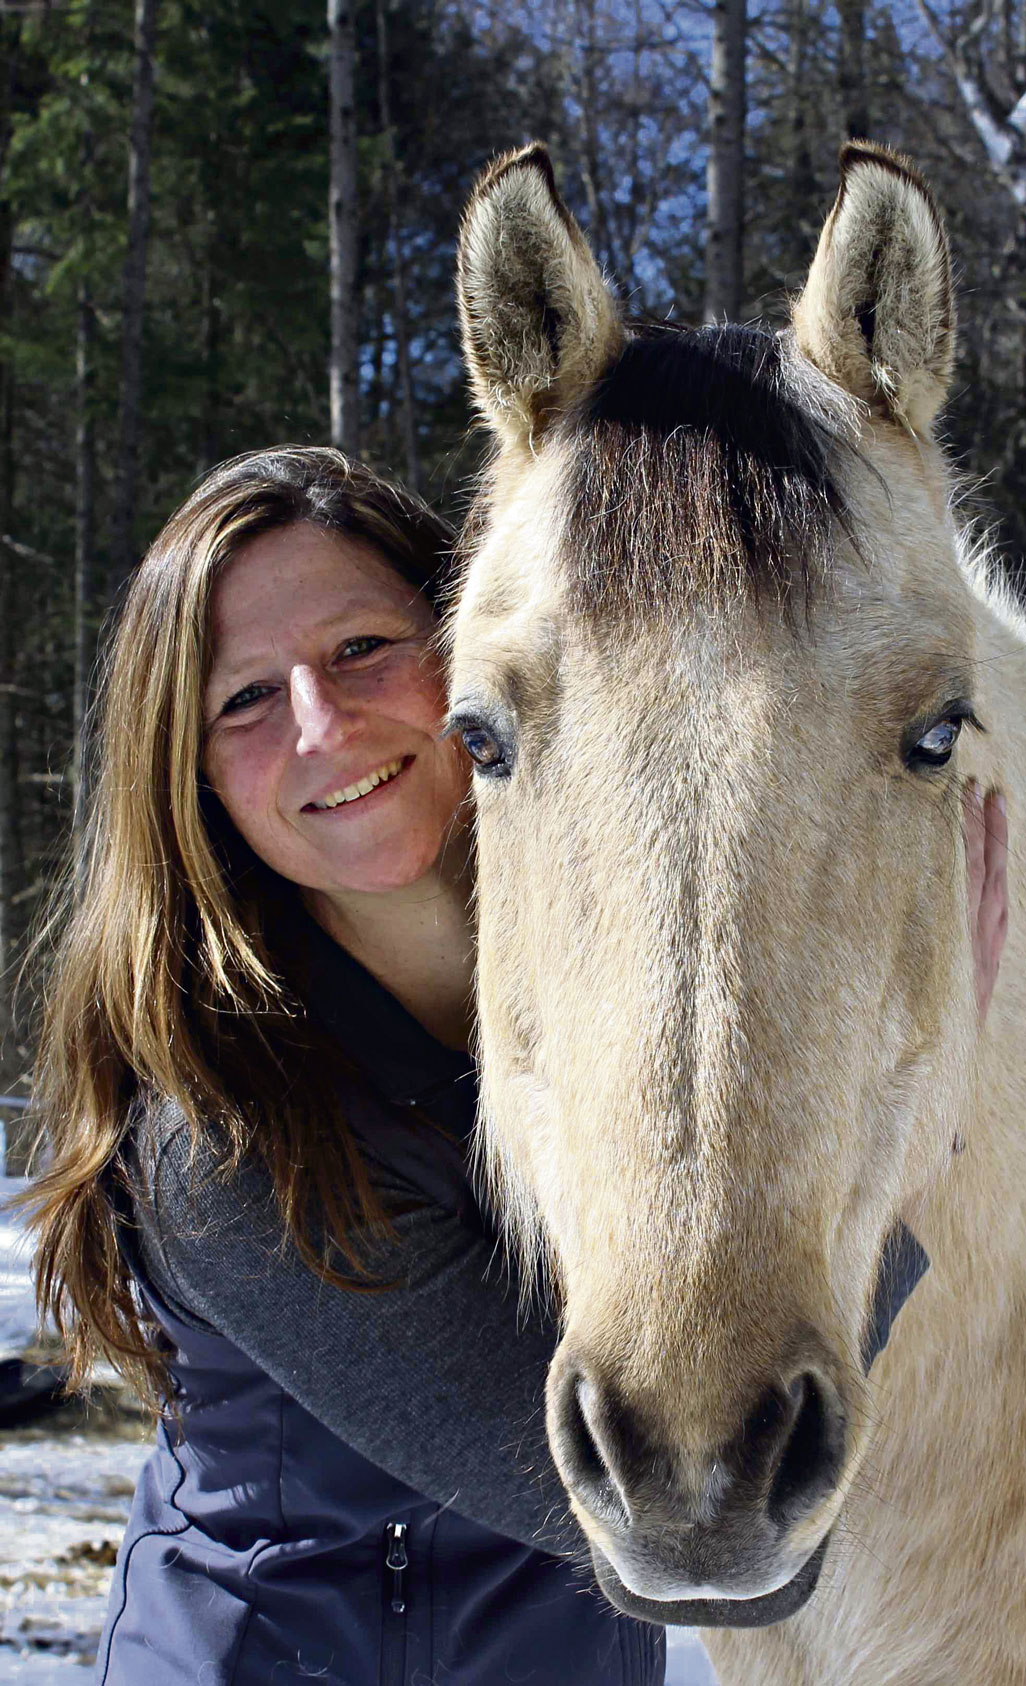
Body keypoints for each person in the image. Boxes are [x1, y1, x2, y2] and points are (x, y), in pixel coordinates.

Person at [24, 446, 666, 1686]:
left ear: (470, 648)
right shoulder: (218, 1136)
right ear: (197, 778)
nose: (324, 726)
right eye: (247, 700)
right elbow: (638, 1506)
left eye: (365, 648)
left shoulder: (629, 998)